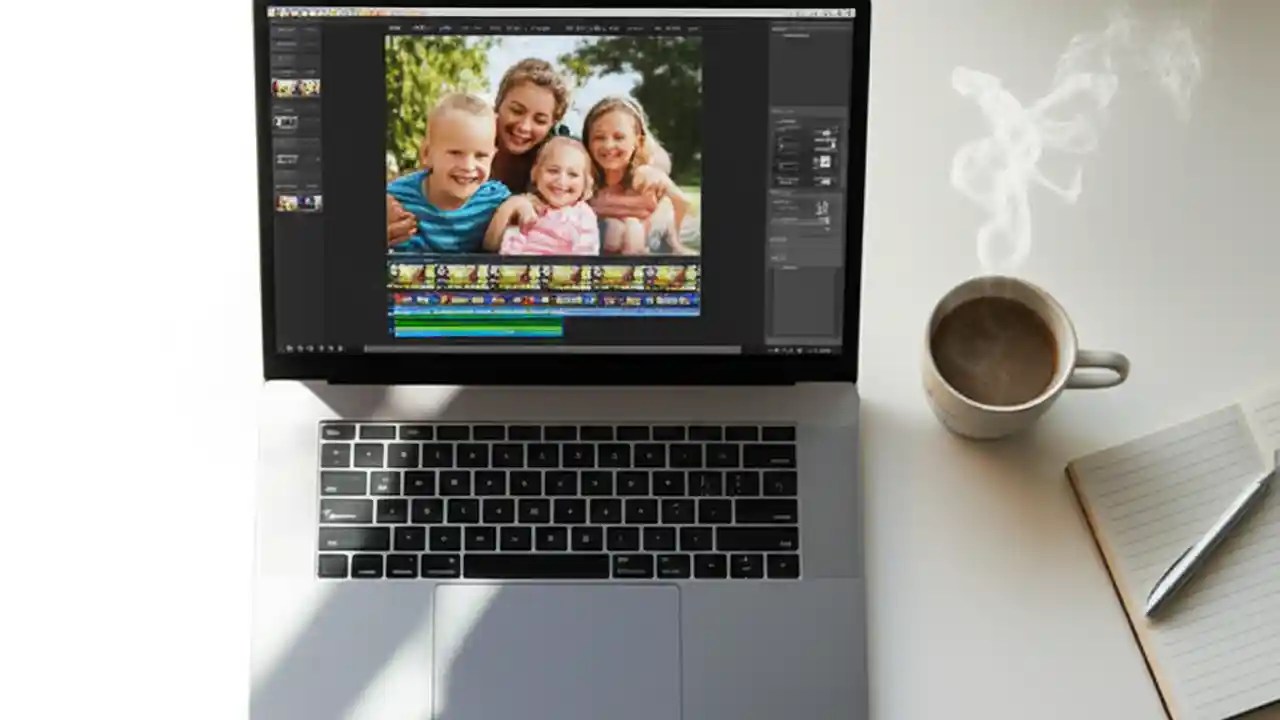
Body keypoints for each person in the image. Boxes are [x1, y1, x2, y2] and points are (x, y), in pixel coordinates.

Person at [387, 58, 674, 247]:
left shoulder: (553, 154)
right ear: (497, 105)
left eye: (540, 119)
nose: (524, 126)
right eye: (516, 110)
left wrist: (649, 166)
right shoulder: (472, 132)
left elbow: (608, 155)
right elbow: (428, 172)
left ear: (552, 124)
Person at [385, 93, 511, 254]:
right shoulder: (397, 198)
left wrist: (519, 204)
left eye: (480, 156)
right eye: (455, 153)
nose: (468, 166)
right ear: (426, 154)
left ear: (493, 157)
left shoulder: (497, 200)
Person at [583, 95, 695, 256]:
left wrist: (675, 242)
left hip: (643, 246)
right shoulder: (585, 180)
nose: (608, 145)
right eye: (599, 138)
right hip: (601, 248)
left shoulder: (646, 178)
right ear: (588, 142)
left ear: (639, 142)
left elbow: (682, 203)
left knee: (632, 226)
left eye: (619, 137)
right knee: (615, 228)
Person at [486, 136, 600, 256]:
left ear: (586, 182)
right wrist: (511, 207)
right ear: (535, 173)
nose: (561, 181)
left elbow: (587, 262)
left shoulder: (582, 215)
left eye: (573, 174)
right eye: (553, 171)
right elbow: (491, 246)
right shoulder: (524, 205)